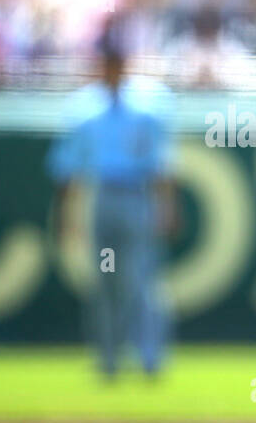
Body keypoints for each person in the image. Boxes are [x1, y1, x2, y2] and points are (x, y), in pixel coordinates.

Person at [46, 22, 177, 380]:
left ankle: (150, 358)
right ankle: (108, 360)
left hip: (137, 198)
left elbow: (162, 165)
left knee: (140, 279)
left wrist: (166, 207)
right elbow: (67, 169)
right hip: (101, 197)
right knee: (105, 281)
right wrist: (66, 216)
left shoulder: (148, 103)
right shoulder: (84, 107)